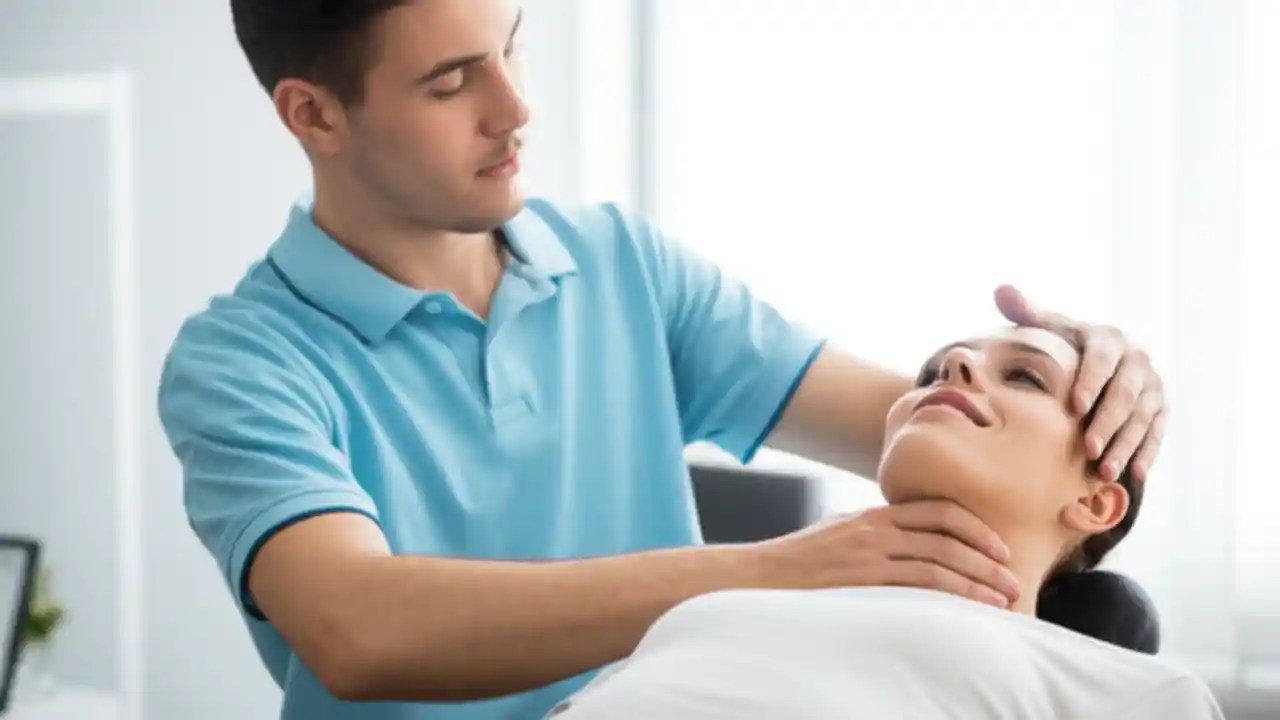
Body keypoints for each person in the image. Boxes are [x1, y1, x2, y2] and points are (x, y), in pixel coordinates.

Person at [156, 1, 1168, 718]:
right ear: (313, 114)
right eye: (451, 82)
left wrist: (1097, 383)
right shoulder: (244, 360)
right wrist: (771, 574)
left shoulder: (617, 267)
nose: (515, 111)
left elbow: (923, 426)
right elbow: (357, 630)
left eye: (511, 48)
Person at [546, 327, 1221, 719]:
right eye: (934, 370)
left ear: (1096, 503)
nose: (956, 366)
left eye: (1024, 378)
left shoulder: (1132, 694)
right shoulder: (720, 609)